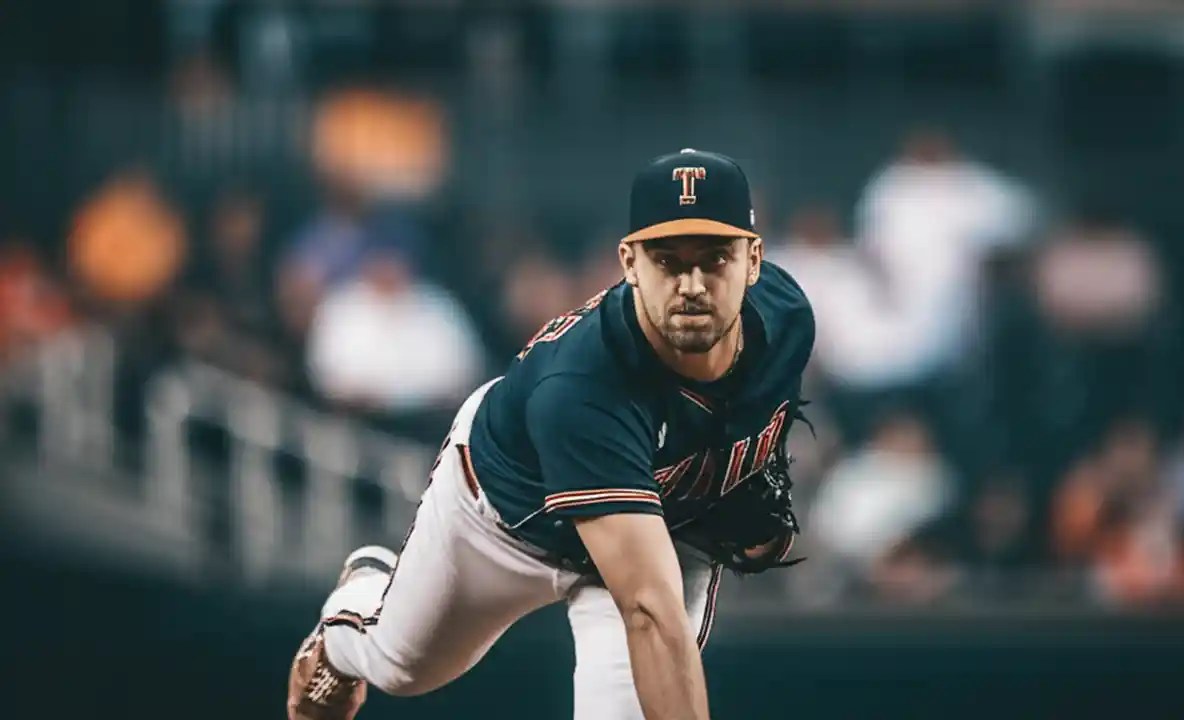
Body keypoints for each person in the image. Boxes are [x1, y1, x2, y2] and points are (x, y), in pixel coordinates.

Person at [286, 148, 816, 720]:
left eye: (715, 258)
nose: (692, 283)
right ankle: (353, 615)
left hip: (661, 530)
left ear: (754, 260)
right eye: (667, 260)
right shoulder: (585, 384)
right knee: (402, 666)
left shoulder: (785, 318)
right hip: (502, 519)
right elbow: (650, 612)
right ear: (630, 263)